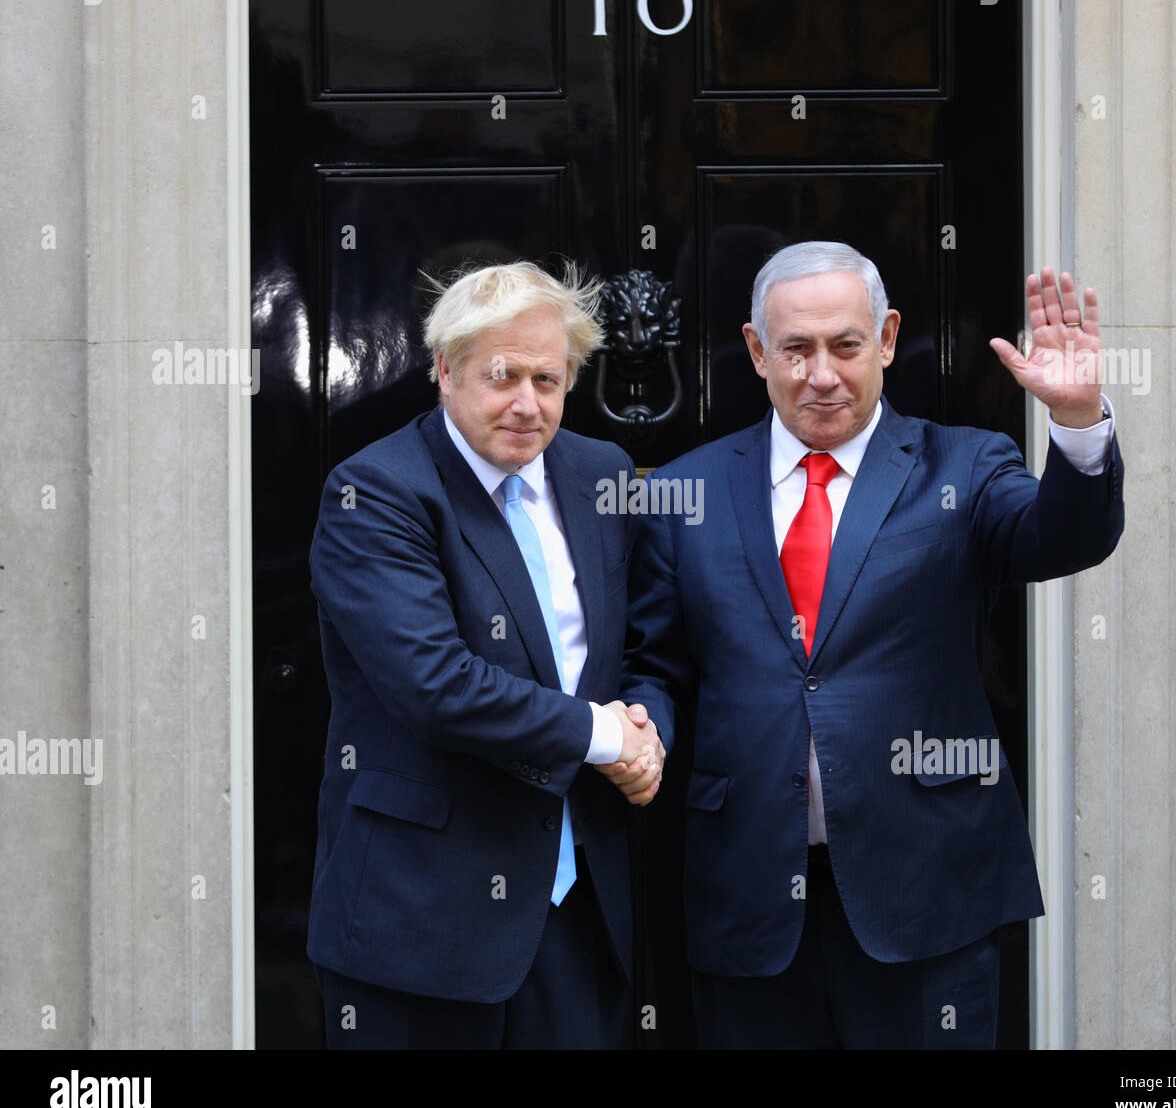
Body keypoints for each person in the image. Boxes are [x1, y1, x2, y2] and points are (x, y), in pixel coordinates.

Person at [623, 241, 1124, 1048]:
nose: (822, 374)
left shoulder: (964, 463)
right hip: (747, 894)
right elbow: (657, 665)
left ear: (887, 339)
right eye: (796, 348)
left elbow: (1061, 539)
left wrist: (1073, 421)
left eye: (846, 346)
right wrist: (638, 730)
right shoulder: (687, 490)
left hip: (925, 890)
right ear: (757, 352)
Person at [307, 260, 663, 1048]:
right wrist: (607, 738)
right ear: (444, 370)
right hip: (421, 920)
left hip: (579, 912)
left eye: (548, 378)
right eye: (502, 377)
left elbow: (643, 638)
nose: (527, 405)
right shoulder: (377, 492)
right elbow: (433, 682)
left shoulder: (600, 472)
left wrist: (648, 724)